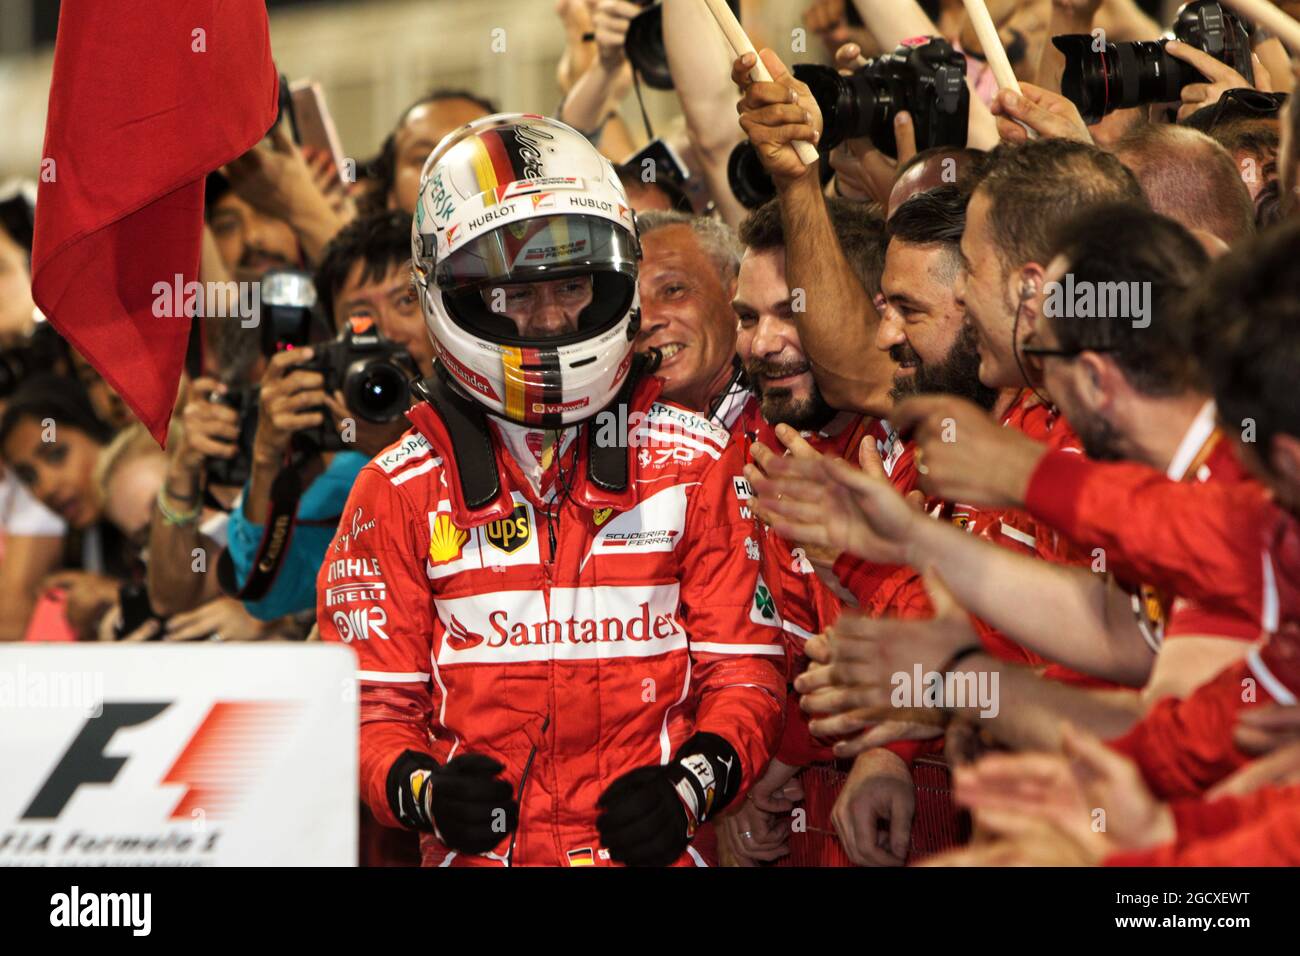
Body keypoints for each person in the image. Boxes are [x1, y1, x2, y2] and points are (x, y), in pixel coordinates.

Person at [318, 114, 785, 867]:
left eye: (570, 287)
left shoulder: (699, 461)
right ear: (451, 296)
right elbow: (365, 707)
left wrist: (690, 789)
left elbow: (748, 673)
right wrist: (428, 794)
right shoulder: (394, 489)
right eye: (510, 296)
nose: (547, 318)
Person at [224, 211, 426, 620]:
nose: (386, 332)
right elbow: (268, 596)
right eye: (359, 316)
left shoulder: (499, 411)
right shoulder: (341, 470)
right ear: (335, 339)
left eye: (406, 301)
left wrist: (399, 455)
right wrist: (267, 459)